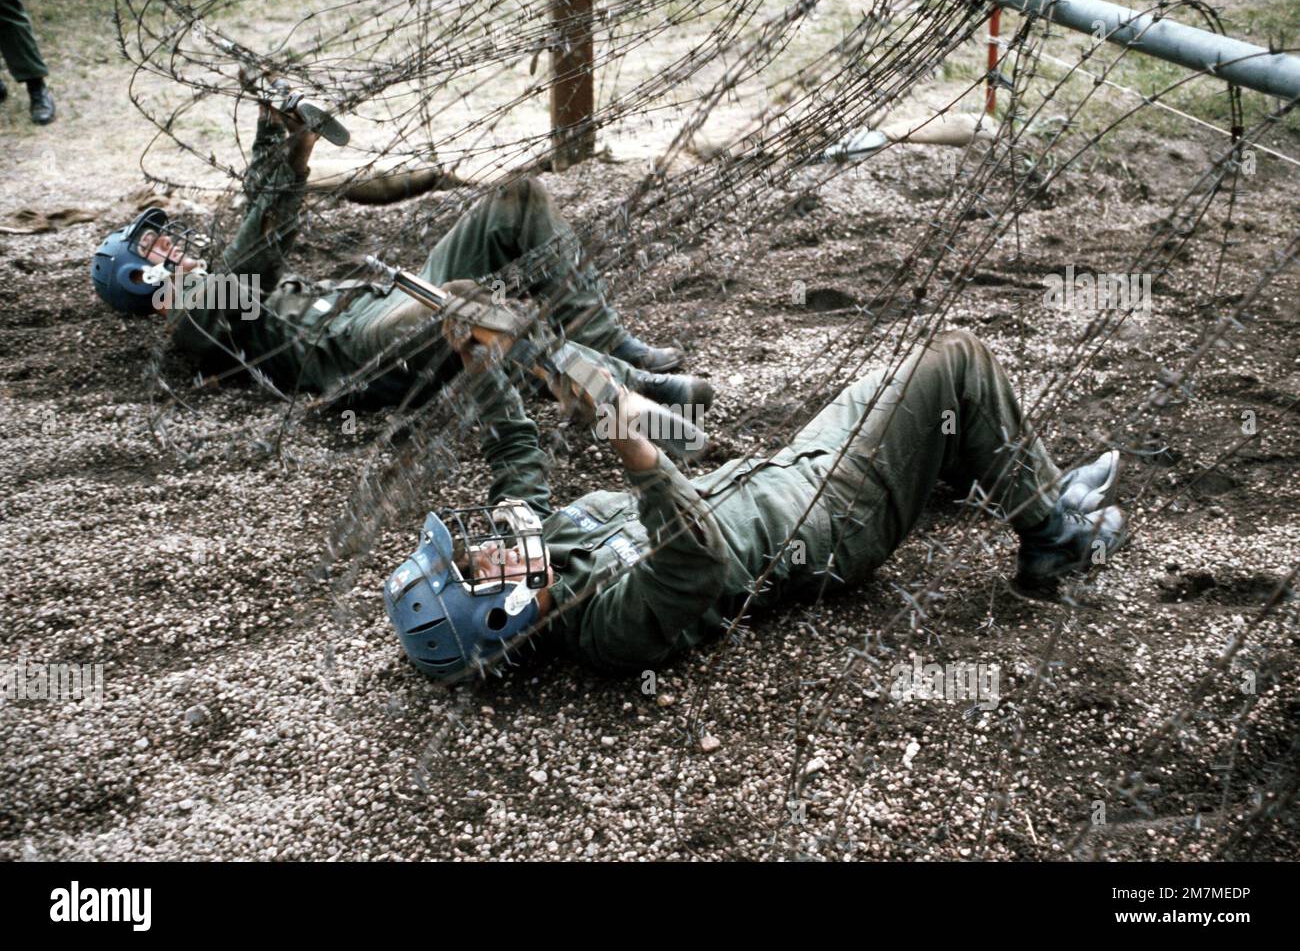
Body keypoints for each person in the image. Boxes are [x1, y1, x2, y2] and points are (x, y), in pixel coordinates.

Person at [385, 326, 1127, 680]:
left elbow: (514, 456)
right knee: (955, 358)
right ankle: (1052, 532)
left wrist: (475, 357)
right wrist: (633, 446)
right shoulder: (604, 631)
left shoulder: (539, 551)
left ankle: (989, 466)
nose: (481, 541)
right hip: (834, 520)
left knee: (924, 389)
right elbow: (695, 561)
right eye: (473, 563)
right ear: (495, 614)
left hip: (792, 469)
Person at [90, 84, 711, 411]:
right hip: (356, 352)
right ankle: (628, 391)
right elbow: (253, 261)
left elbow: (257, 221)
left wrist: (272, 132)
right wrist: (297, 161)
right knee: (464, 307)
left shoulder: (212, 283)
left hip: (385, 298)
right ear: (141, 282)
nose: (171, 244)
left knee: (516, 199)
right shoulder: (193, 324)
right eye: (155, 248)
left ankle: (602, 338)